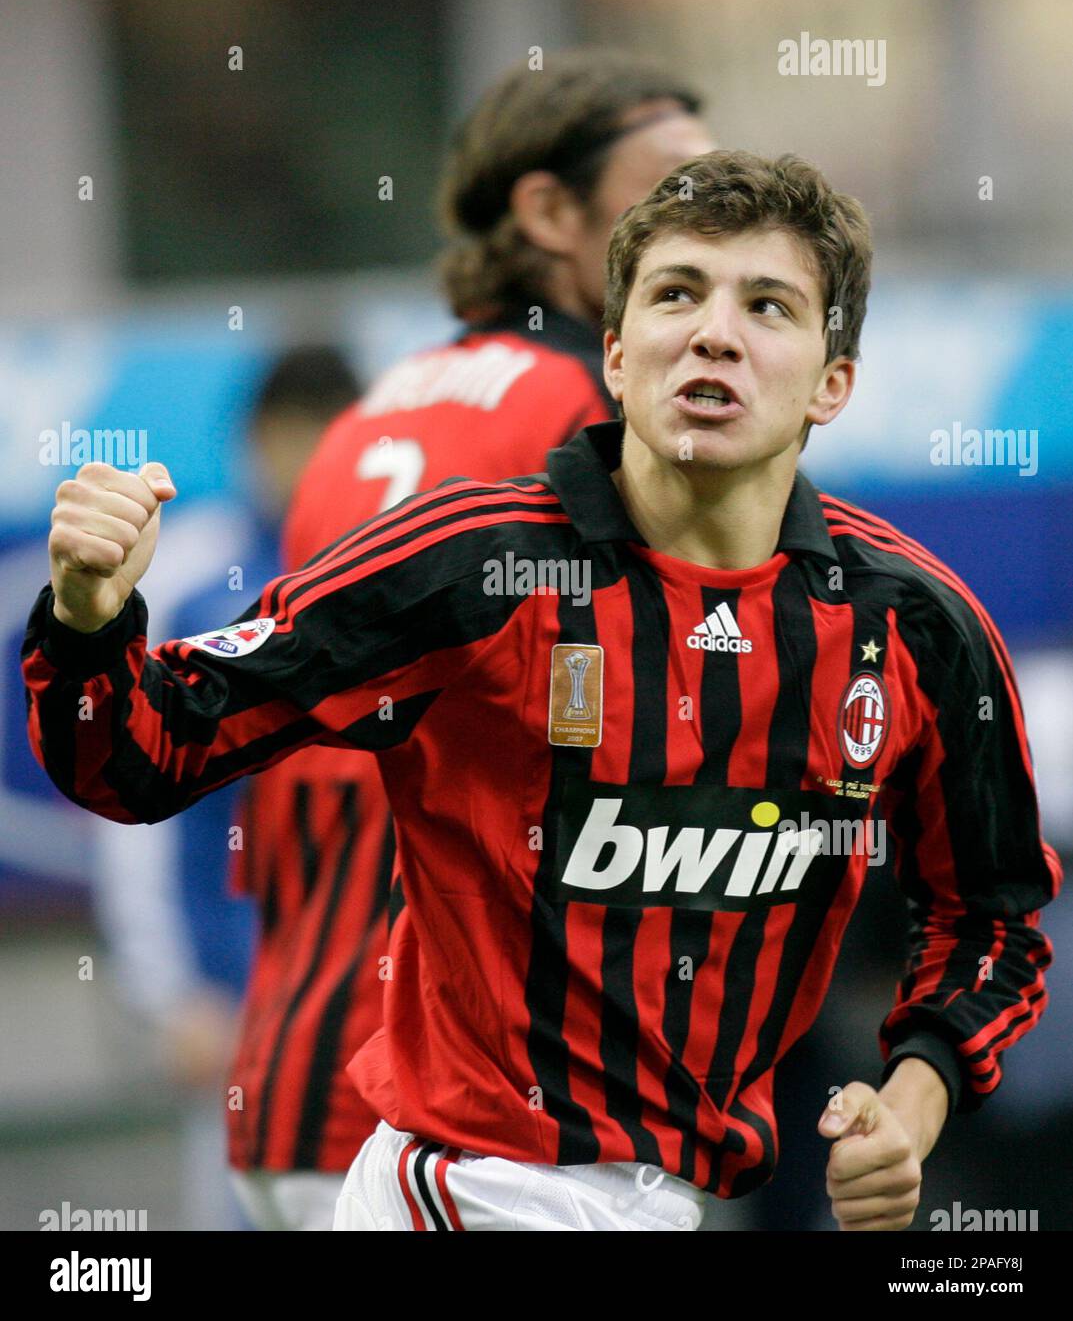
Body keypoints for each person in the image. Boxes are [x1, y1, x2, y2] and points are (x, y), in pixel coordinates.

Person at [24, 150, 1060, 1232]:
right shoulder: (468, 565)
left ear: (831, 380)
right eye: (675, 294)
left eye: (766, 305)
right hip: (471, 1187)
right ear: (614, 356)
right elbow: (139, 753)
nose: (713, 332)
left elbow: (990, 912)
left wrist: (911, 1100)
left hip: (672, 1203)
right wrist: (90, 619)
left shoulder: (912, 624)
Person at [223, 48, 713, 1229]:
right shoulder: (598, 424)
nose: (713, 235)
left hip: (299, 1078)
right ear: (548, 210)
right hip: (468, 1129)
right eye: (677, 195)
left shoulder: (370, 415)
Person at [89, 346, 360, 1229]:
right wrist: (173, 993)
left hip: (374, 1014)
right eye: (295, 437)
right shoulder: (190, 582)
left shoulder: (393, 575)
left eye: (333, 435)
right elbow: (132, 805)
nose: (312, 459)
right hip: (237, 1008)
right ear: (256, 441)